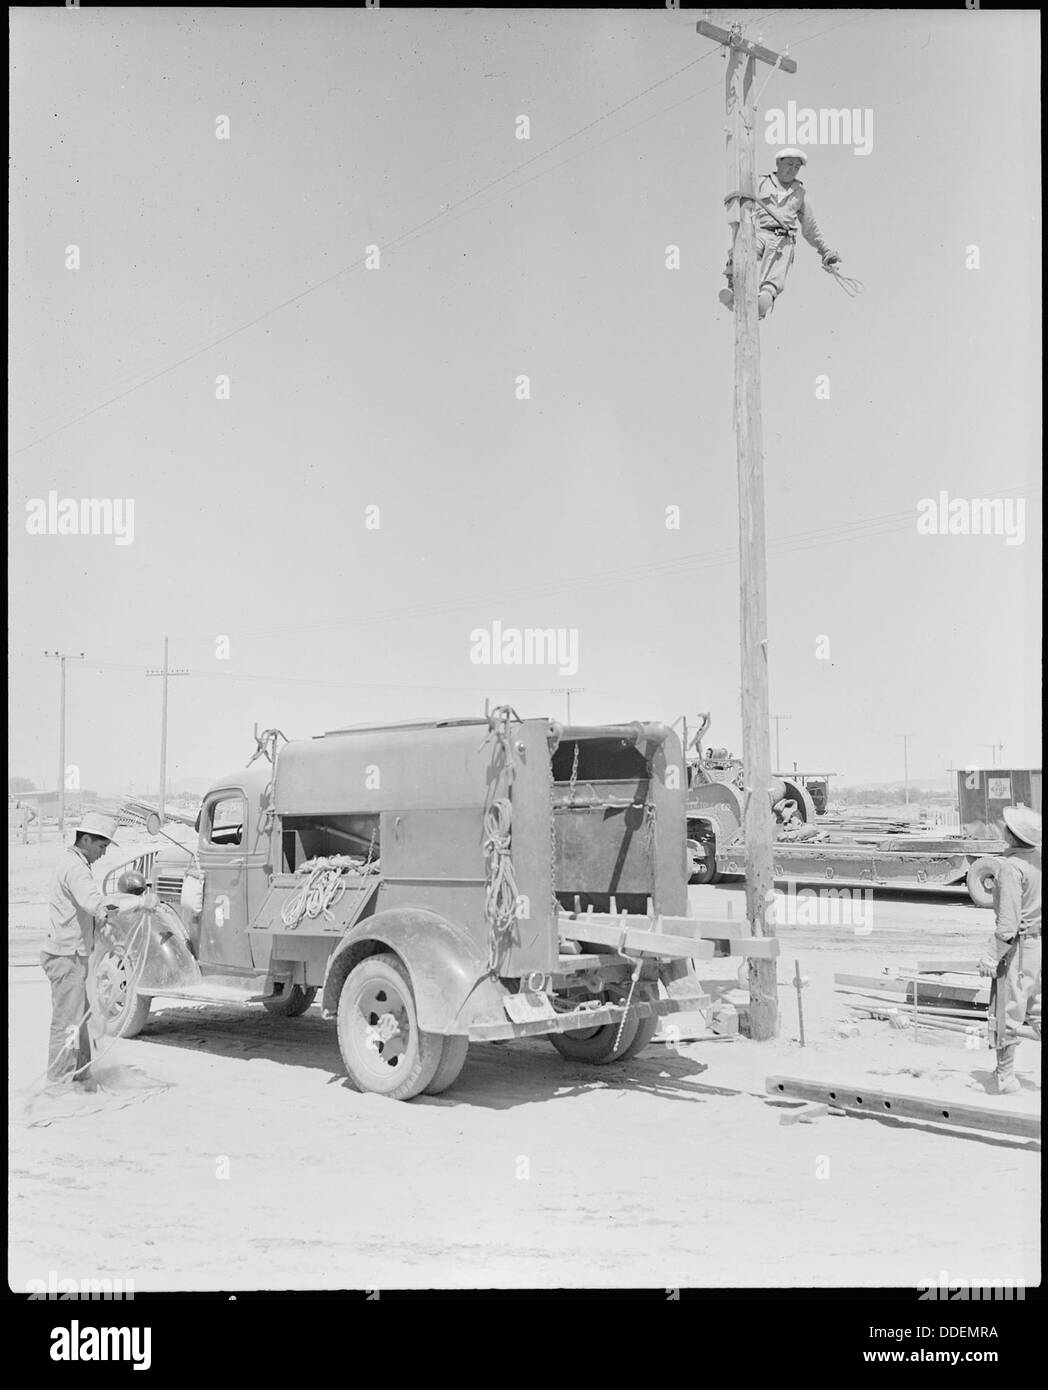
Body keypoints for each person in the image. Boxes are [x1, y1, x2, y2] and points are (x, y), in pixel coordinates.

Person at [719, 148, 841, 319]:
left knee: (774, 275)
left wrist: (825, 251)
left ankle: (762, 304)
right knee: (741, 249)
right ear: (778, 163)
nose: (792, 169)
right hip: (760, 233)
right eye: (789, 164)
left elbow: (810, 227)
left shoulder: (799, 193)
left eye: (797, 167)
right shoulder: (760, 182)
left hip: (783, 239)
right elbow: (740, 199)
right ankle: (732, 288)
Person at [978, 806, 1041, 1095]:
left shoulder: (1011, 867)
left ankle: (1005, 1079)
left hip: (1019, 949)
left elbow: (1008, 924)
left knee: (1007, 1011)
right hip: (1038, 945)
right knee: (1038, 1008)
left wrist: (992, 954)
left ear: (1012, 835)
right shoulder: (1037, 861)